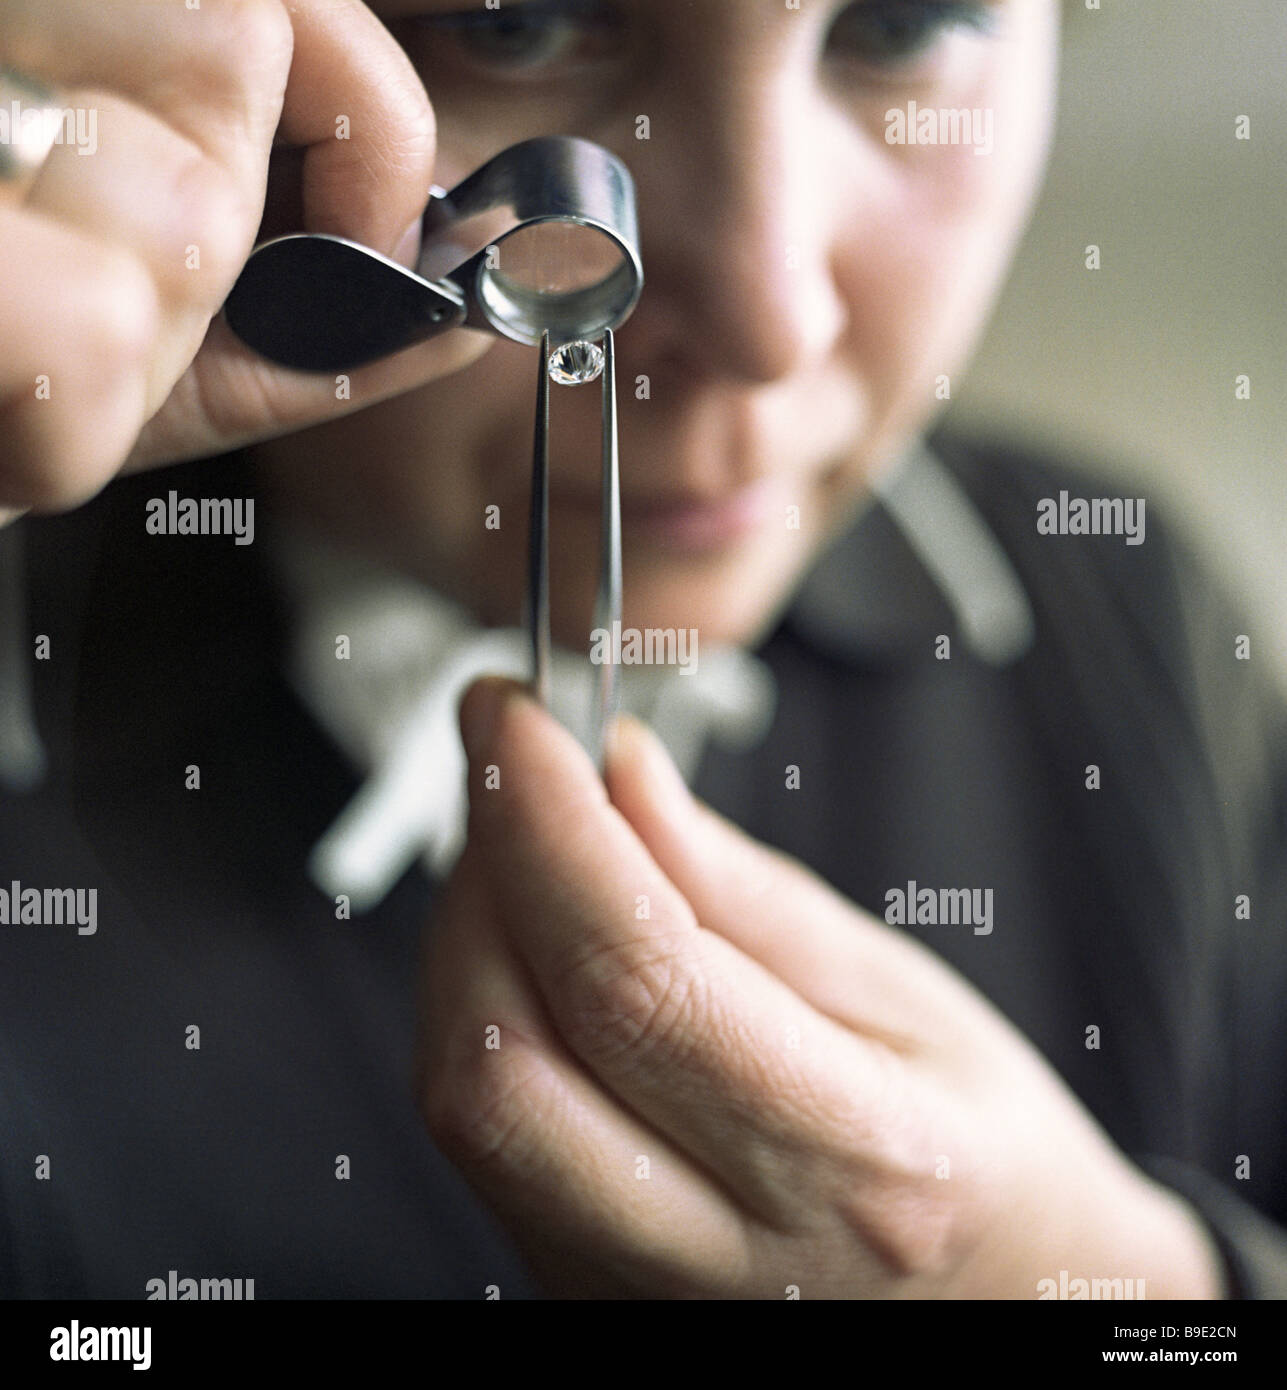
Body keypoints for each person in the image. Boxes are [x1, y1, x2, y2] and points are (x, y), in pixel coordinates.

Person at [1, 0, 1284, 1300]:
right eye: (514, 26)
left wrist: (1110, 1282)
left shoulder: (1134, 617)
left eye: (900, 26)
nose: (764, 317)